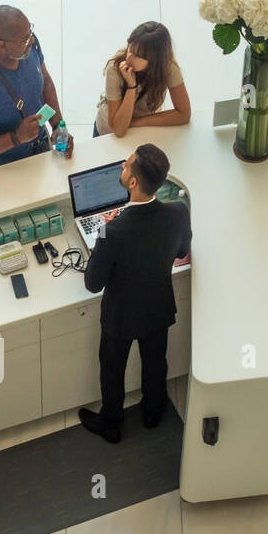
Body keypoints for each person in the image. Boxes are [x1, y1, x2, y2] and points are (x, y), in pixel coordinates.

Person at [78, 144, 192, 444]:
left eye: (126, 165)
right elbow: (182, 250)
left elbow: (92, 282)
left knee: (113, 370)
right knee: (156, 361)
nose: (122, 167)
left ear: (133, 183)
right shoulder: (178, 212)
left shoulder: (113, 231)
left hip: (121, 317)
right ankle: (153, 412)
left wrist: (102, 233)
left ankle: (111, 424)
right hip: (158, 308)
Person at [0, 5, 73, 172]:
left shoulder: (30, 47)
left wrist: (57, 126)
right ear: (1, 45)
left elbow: (46, 82)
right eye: (25, 39)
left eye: (30, 33)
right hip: (2, 170)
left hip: (38, 150)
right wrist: (17, 137)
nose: (32, 41)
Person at [95, 22, 191, 138]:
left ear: (154, 60)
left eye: (137, 56)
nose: (129, 57)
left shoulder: (168, 68)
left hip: (141, 130)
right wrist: (131, 87)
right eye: (130, 48)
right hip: (109, 133)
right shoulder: (115, 67)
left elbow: (184, 114)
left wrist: (133, 122)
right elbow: (119, 130)